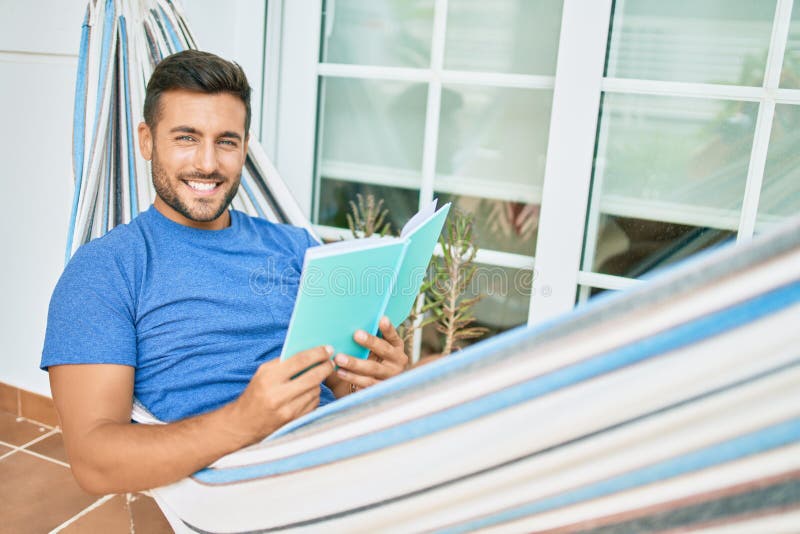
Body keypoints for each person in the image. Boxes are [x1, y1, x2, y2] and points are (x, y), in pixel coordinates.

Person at [40, 50, 409, 495]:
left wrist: (370, 381)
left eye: (227, 141)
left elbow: (337, 384)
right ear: (146, 140)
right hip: (244, 489)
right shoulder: (106, 271)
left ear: (244, 148)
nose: (209, 163)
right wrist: (245, 421)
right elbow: (94, 463)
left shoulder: (296, 248)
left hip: (342, 459)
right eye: (186, 138)